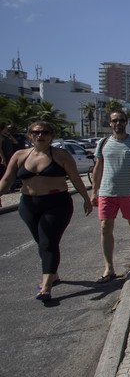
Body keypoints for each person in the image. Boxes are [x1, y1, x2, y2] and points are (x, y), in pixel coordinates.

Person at [0, 121, 93, 301]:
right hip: (28, 205)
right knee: (41, 242)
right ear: (29, 135)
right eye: (36, 132)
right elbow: (6, 180)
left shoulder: (61, 155)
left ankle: (46, 286)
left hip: (57, 204)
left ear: (51, 136)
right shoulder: (20, 156)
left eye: (45, 132)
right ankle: (54, 274)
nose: (40, 135)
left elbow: (75, 178)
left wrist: (86, 199)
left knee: (48, 243)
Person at [91, 109, 130, 283]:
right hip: (107, 192)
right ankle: (109, 267)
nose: (118, 123)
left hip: (129, 193)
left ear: (126, 122)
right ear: (110, 123)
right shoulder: (103, 143)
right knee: (105, 227)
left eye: (121, 120)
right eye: (115, 120)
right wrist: (94, 191)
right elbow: (98, 168)